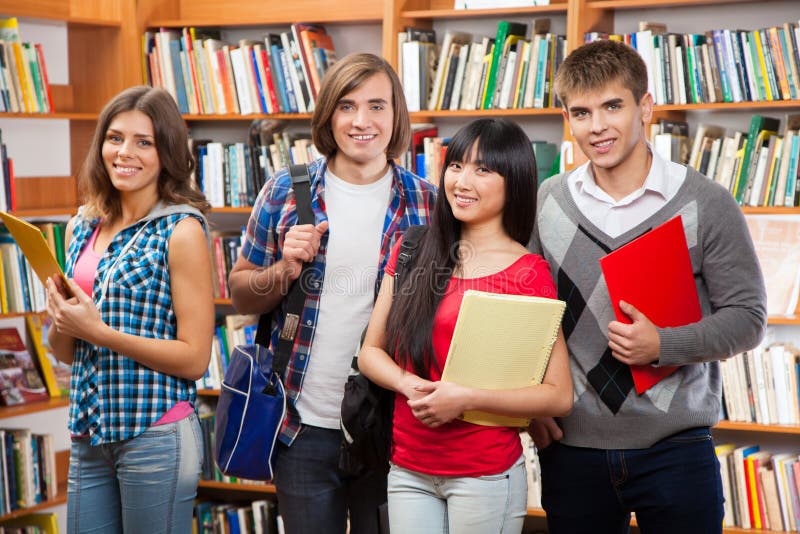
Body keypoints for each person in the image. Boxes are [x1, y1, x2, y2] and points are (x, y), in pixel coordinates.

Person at [527, 39, 767, 534]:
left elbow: (747, 318)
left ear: (646, 107)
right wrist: (529, 405)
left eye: (613, 106)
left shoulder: (706, 201)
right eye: (581, 112)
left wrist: (664, 344)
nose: (597, 127)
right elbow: (527, 313)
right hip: (572, 448)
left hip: (676, 447)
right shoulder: (546, 200)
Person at [228, 52, 437, 534]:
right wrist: (285, 267)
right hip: (300, 424)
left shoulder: (427, 201)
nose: (362, 121)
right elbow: (241, 295)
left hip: (390, 426)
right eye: (347, 106)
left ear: (396, 115)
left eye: (377, 106)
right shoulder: (284, 190)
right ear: (328, 115)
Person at [358, 117, 573, 534]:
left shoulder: (528, 273)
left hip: (484, 474)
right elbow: (370, 351)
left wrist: (466, 398)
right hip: (407, 469)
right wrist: (407, 384)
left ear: (515, 182)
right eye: (456, 165)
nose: (462, 180)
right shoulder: (413, 247)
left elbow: (558, 395)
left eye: (483, 169)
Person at [45, 85, 214, 532]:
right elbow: (67, 352)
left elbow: (196, 358)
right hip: (89, 433)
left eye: (144, 142)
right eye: (115, 138)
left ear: (167, 153)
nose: (125, 153)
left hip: (154, 434)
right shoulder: (81, 227)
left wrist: (101, 333)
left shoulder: (181, 232)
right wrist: (62, 321)